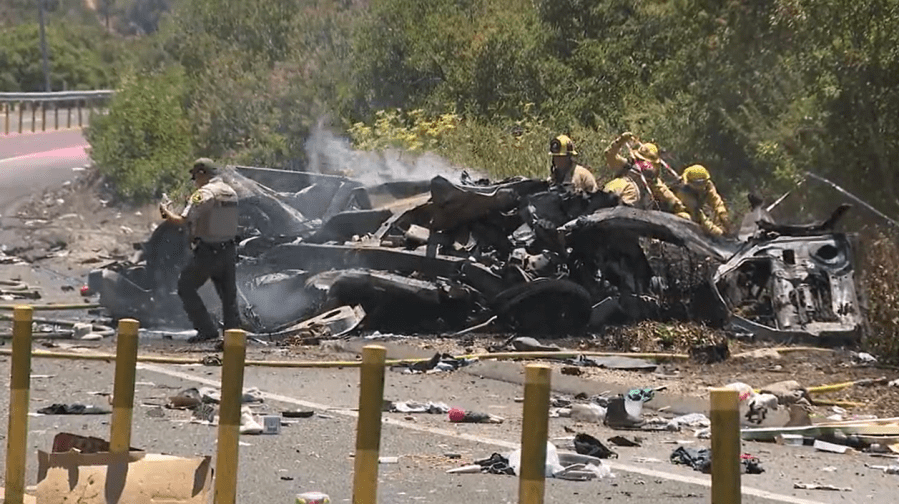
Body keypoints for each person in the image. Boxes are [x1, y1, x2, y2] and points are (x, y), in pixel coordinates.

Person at [159, 158, 241, 343]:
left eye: (195, 176)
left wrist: (165, 211)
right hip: (228, 250)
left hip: (209, 252)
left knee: (185, 287)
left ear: (202, 173)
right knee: (228, 297)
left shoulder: (204, 193)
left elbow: (182, 220)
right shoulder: (230, 191)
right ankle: (234, 336)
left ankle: (206, 329)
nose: (195, 181)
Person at [602, 131, 686, 213]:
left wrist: (676, 203)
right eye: (642, 160)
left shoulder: (652, 180)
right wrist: (620, 141)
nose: (646, 165)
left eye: (649, 163)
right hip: (615, 198)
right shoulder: (625, 166)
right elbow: (609, 154)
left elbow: (662, 190)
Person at [674, 164, 730, 236]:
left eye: (703, 182)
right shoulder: (683, 192)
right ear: (690, 182)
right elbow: (700, 217)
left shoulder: (707, 184)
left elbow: (716, 201)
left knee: (719, 218)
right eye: (698, 183)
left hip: (698, 213)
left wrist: (723, 216)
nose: (702, 186)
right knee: (686, 217)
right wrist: (718, 233)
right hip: (684, 213)